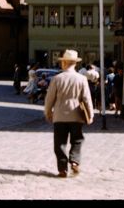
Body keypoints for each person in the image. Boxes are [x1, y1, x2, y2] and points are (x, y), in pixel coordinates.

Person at [44, 49, 94, 178]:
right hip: (76, 114)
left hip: (60, 115)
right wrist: (91, 114)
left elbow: (50, 98)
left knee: (59, 143)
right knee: (77, 140)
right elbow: (87, 98)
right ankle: (74, 162)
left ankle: (62, 169)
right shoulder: (82, 79)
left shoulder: (57, 78)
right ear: (75, 64)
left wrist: (48, 112)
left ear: (64, 63)